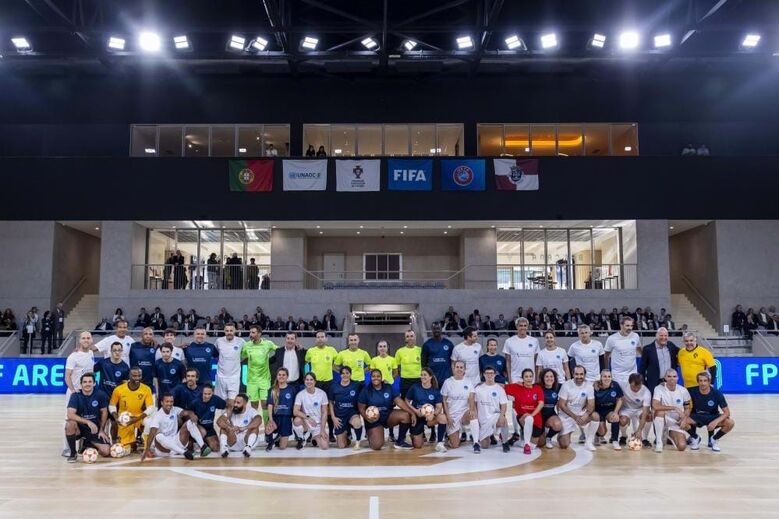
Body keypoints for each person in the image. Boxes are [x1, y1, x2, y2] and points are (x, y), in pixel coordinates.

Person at [358, 369, 417, 451]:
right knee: (377, 446)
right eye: (373, 376)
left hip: (387, 416)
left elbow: (399, 402)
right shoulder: (366, 391)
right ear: (370, 378)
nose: (376, 378)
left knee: (405, 415)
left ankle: (400, 441)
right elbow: (361, 408)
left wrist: (412, 413)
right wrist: (367, 418)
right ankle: (371, 434)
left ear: (381, 378)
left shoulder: (388, 387)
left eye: (378, 376)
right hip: (374, 420)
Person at [62, 331, 95, 457]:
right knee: (70, 420)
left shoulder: (91, 353)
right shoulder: (73, 356)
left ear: (91, 340)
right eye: (83, 338)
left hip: (86, 392)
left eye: (88, 338)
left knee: (85, 418)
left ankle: (83, 445)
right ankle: (67, 448)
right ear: (79, 340)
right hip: (74, 392)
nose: (86, 340)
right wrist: (74, 391)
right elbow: (67, 376)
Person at [65, 373, 110, 462]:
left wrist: (102, 430)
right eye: (85, 382)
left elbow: (104, 413)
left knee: (106, 452)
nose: (87, 384)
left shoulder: (100, 395)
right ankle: (73, 453)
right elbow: (70, 414)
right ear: (81, 384)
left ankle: (86, 444)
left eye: (90, 382)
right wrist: (88, 422)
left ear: (94, 383)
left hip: (95, 429)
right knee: (69, 423)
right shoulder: (75, 395)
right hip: (80, 428)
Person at [109, 367, 154, 452]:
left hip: (138, 416)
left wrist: (137, 419)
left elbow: (151, 408)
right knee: (127, 449)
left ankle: (146, 445)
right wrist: (116, 417)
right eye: (134, 376)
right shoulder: (119, 389)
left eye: (139, 376)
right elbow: (112, 405)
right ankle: (125, 443)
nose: (137, 378)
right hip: (124, 417)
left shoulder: (146, 389)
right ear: (129, 376)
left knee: (149, 422)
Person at [687, 371, 734, 452]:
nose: (703, 383)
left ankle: (714, 439)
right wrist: (664, 385)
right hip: (697, 416)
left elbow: (727, 413)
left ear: (709, 381)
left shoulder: (717, 393)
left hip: (713, 416)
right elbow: (678, 390)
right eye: (700, 381)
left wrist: (715, 422)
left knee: (730, 423)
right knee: (681, 420)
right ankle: (695, 437)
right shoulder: (691, 391)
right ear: (697, 382)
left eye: (705, 381)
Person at [557, 365, 599, 451]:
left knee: (595, 416)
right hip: (567, 415)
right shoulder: (566, 385)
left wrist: (586, 414)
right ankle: (562, 435)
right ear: (573, 374)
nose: (579, 376)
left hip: (580, 413)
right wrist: (575, 417)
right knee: (564, 445)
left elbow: (591, 404)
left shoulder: (589, 386)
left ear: (584, 375)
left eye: (581, 374)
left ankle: (589, 442)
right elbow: (561, 405)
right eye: (576, 374)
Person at [406, 367, 448, 452]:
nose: (422, 377)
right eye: (421, 375)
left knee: (443, 418)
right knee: (418, 445)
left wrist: (434, 414)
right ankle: (415, 434)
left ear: (430, 377)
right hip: (418, 416)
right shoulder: (415, 387)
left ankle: (439, 443)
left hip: (429, 418)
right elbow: (406, 401)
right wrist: (415, 412)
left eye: (425, 375)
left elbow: (439, 407)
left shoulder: (435, 390)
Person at [652, 369, 694, 453]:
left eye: (674, 376)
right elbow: (655, 405)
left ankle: (669, 435)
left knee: (682, 447)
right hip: (663, 418)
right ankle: (659, 442)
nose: (672, 379)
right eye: (669, 376)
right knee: (660, 412)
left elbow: (687, 408)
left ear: (678, 378)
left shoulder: (683, 390)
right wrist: (674, 408)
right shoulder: (659, 389)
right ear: (665, 378)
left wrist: (684, 419)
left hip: (676, 421)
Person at [470, 366, 510, 453]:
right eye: (487, 373)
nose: (489, 375)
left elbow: (504, 405)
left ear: (495, 375)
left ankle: (505, 442)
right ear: (484, 375)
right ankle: (485, 438)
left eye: (491, 373)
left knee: (504, 421)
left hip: (495, 416)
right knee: (485, 446)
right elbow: (475, 404)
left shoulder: (499, 389)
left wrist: (502, 416)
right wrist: (476, 417)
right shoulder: (478, 388)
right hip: (483, 419)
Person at [504, 368, 544, 454]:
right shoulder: (516, 387)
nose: (529, 378)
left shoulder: (537, 388)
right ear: (522, 378)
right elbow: (502, 387)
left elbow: (541, 404)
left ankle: (515, 442)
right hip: (522, 417)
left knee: (533, 446)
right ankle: (526, 445)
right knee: (528, 419)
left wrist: (532, 415)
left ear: (533, 378)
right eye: (526, 376)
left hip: (536, 419)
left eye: (530, 376)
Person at [182, 384, 227, 458]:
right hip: (199, 426)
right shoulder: (195, 401)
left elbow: (226, 405)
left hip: (209, 427)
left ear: (212, 393)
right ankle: (196, 443)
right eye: (205, 394)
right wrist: (192, 414)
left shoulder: (216, 399)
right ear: (202, 393)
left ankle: (205, 442)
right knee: (202, 432)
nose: (207, 396)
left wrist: (225, 416)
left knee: (216, 448)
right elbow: (186, 412)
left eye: (209, 394)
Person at [143, 393, 191, 460]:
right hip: (163, 450)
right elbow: (151, 434)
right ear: (162, 403)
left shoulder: (175, 409)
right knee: (158, 436)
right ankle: (184, 452)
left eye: (171, 401)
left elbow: (186, 412)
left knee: (190, 422)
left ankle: (202, 446)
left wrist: (192, 415)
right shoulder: (157, 416)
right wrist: (147, 449)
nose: (169, 404)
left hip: (175, 444)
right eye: (167, 401)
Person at [440, 360, 476, 449]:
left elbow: (471, 397)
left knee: (474, 414)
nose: (459, 369)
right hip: (452, 415)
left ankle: (476, 441)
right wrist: (448, 416)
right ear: (453, 368)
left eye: (461, 367)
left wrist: (471, 409)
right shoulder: (448, 382)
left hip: (464, 413)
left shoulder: (468, 381)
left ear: (464, 369)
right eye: (457, 367)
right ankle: (449, 437)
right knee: (455, 445)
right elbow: (444, 401)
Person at [241, 325, 277, 411]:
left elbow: (280, 351)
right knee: (254, 404)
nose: (250, 334)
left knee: (265, 403)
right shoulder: (247, 345)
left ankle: (266, 423)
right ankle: (255, 424)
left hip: (264, 380)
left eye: (253, 332)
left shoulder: (268, 344)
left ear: (259, 334)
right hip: (251, 381)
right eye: (250, 332)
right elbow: (241, 356)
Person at [216, 393, 262, 458]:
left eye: (238, 403)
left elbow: (259, 420)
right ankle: (224, 448)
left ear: (245, 404)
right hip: (232, 440)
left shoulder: (251, 410)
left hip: (246, 440)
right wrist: (229, 427)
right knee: (223, 427)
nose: (235, 404)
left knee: (255, 427)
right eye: (235, 402)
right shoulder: (231, 410)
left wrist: (244, 428)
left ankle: (248, 448)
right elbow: (219, 421)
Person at [329, 366, 364, 450]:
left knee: (357, 423)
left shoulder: (356, 385)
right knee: (341, 446)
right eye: (343, 373)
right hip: (340, 416)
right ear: (340, 375)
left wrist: (383, 382)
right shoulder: (334, 386)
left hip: (352, 413)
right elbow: (331, 402)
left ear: (350, 374)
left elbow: (370, 387)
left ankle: (357, 442)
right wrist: (333, 417)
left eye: (347, 373)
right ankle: (347, 433)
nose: (345, 375)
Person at [292, 373, 330, 450]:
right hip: (306, 422)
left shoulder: (322, 394)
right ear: (304, 381)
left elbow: (324, 413)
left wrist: (322, 430)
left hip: (317, 424)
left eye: (311, 380)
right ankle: (301, 438)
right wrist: (308, 418)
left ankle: (313, 437)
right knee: (297, 421)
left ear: (315, 381)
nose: (309, 382)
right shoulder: (300, 394)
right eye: (307, 380)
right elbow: (295, 411)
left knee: (325, 446)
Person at [604, 316, 641, 392]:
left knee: (632, 399)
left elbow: (640, 350)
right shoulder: (611, 339)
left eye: (631, 326)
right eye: (627, 325)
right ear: (621, 325)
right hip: (618, 375)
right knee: (619, 398)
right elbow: (606, 356)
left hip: (632, 374)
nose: (630, 328)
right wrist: (607, 370)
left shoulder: (635, 336)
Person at [265, 368, 298, 451]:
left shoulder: (292, 389)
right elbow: (270, 405)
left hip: (286, 418)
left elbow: (295, 405)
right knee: (268, 428)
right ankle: (270, 441)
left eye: (283, 375)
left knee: (282, 447)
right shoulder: (272, 389)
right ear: (277, 376)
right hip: (275, 417)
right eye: (279, 375)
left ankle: (279, 437)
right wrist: (270, 419)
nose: (281, 376)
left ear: (287, 377)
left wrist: (293, 418)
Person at [639, 327, 679, 393]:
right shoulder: (647, 349)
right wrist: (643, 383)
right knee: (655, 402)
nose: (663, 338)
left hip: (670, 381)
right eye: (661, 335)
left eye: (665, 335)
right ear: (656, 335)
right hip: (654, 383)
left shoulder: (671, 345)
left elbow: (682, 353)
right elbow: (642, 368)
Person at [618, 373, 653, 448]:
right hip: (626, 409)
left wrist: (639, 430)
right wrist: (597, 383)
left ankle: (645, 439)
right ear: (629, 383)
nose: (636, 389)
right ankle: (623, 436)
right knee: (622, 420)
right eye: (633, 386)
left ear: (642, 383)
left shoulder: (646, 392)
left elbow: (644, 413)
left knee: (649, 416)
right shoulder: (622, 385)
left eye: (638, 386)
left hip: (639, 409)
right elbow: (610, 382)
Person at [214, 323, 244, 409]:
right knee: (221, 404)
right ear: (224, 331)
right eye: (227, 331)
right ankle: (221, 420)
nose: (229, 332)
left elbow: (245, 354)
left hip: (234, 377)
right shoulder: (219, 341)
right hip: (221, 377)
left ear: (235, 331)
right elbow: (216, 354)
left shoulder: (241, 341)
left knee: (232, 403)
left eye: (231, 330)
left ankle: (229, 421)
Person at [593, 369, 624, 450]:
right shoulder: (595, 386)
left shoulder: (615, 385)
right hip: (599, 410)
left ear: (611, 377)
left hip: (610, 409)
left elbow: (620, 399)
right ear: (601, 377)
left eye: (609, 376)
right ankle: (597, 435)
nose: (607, 378)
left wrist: (615, 412)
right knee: (602, 432)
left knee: (615, 417)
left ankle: (615, 441)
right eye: (605, 376)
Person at [503, 317, 539, 384]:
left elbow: (536, 361)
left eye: (525, 326)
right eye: (520, 325)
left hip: (530, 378)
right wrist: (509, 378)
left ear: (527, 327)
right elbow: (508, 362)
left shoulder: (534, 341)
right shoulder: (509, 341)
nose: (523, 328)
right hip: (515, 378)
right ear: (516, 326)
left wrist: (536, 378)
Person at [536, 368, 563, 449]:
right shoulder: (537, 387)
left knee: (558, 425)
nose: (549, 378)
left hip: (550, 415)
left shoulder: (559, 387)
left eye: (551, 376)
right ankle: (539, 432)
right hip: (538, 416)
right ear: (543, 378)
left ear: (554, 378)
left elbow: (571, 385)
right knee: (540, 444)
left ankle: (549, 438)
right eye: (546, 376)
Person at [396, 330, 423, 398]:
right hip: (405, 380)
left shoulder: (420, 350)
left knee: (418, 399)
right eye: (407, 336)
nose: (410, 338)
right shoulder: (400, 351)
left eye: (411, 336)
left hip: (418, 379)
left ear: (415, 337)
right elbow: (396, 366)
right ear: (405, 339)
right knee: (405, 400)